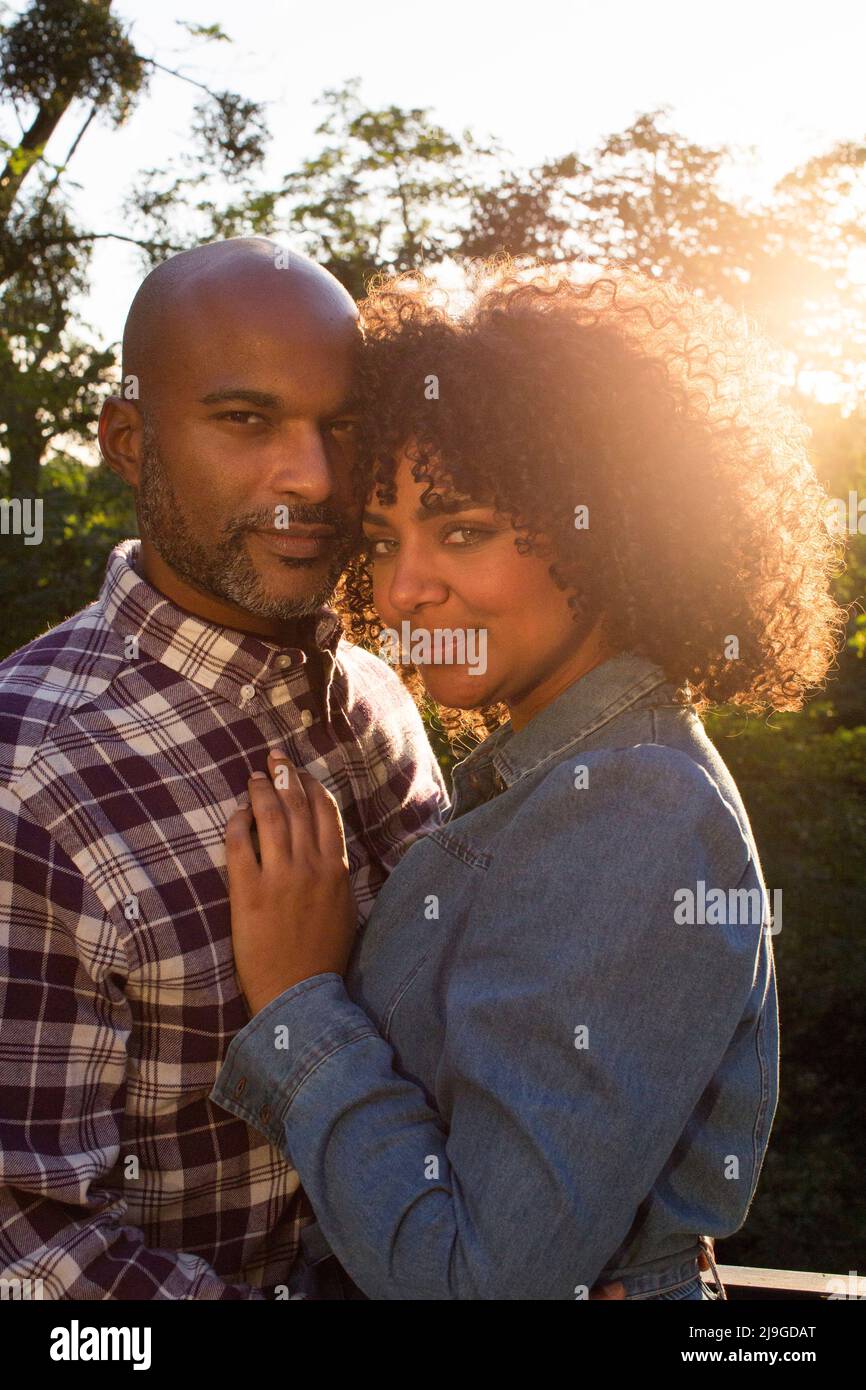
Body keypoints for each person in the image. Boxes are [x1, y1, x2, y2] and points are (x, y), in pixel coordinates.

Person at [211, 263, 843, 1300]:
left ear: (613, 524)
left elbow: (477, 1280)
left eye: (461, 531)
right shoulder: (546, 778)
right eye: (382, 542)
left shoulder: (635, 809)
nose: (406, 588)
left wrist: (295, 1000)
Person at [0, 239, 447, 1298]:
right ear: (126, 439)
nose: (314, 477)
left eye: (340, 425)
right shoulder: (34, 783)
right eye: (246, 420)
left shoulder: (384, 703)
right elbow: (27, 1255)